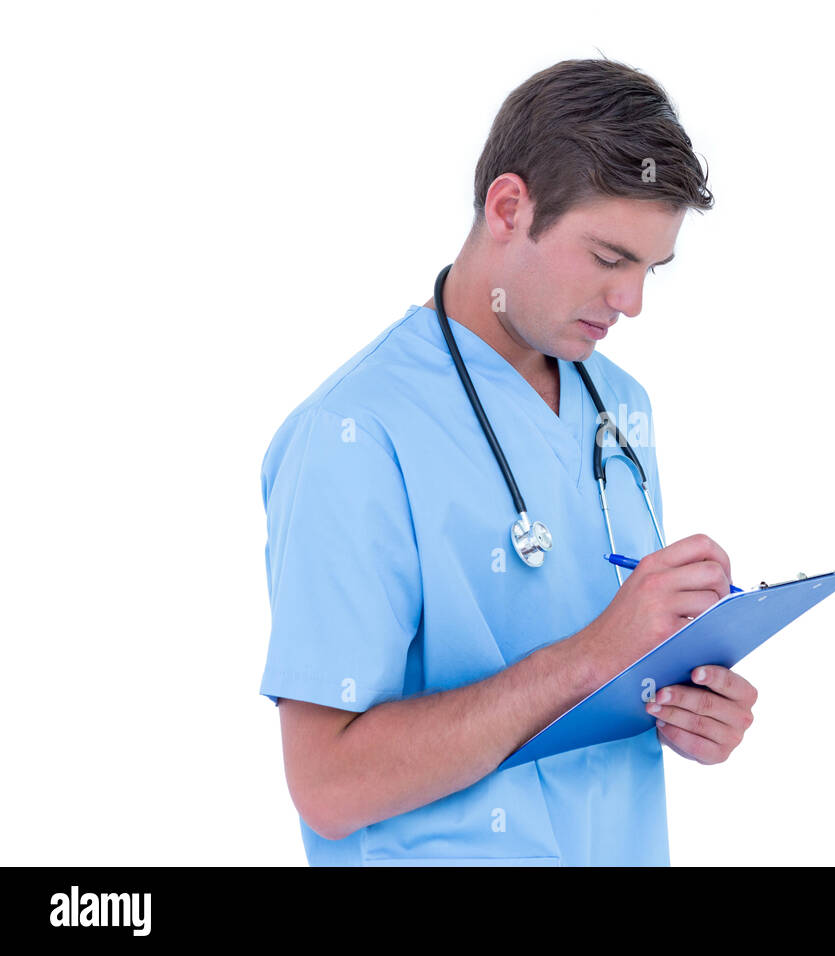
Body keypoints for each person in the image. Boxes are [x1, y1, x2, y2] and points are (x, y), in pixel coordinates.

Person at [258, 58, 758, 866]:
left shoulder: (617, 407)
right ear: (508, 206)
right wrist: (594, 653)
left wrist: (685, 704)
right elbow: (328, 784)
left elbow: (602, 682)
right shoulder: (353, 434)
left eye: (649, 270)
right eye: (607, 258)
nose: (630, 302)